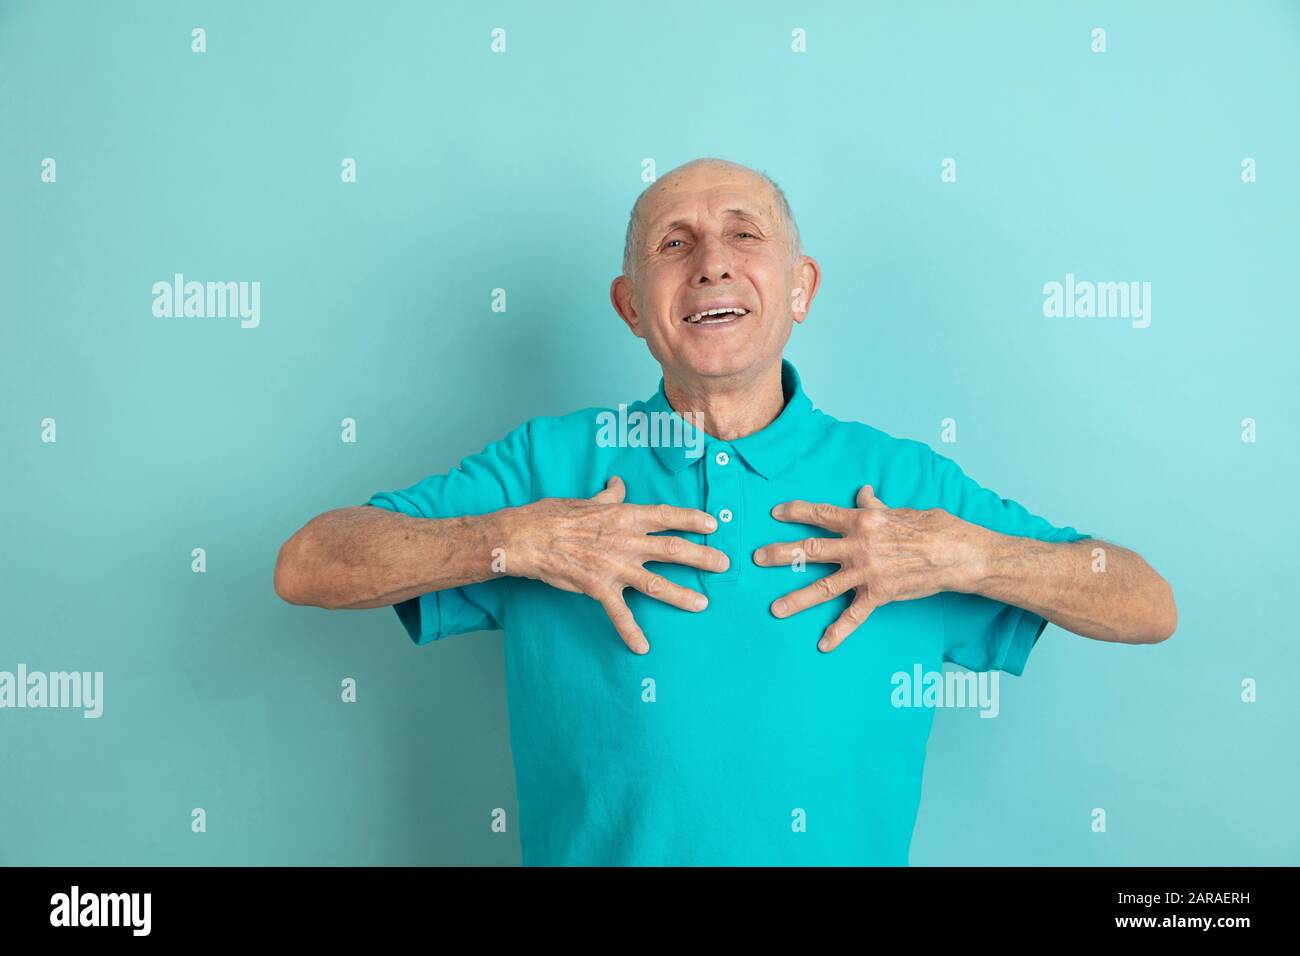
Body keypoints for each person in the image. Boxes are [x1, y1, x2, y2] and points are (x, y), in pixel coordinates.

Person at [274, 157, 1177, 865]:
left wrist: (970, 559)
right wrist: (516, 540)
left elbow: (1144, 602)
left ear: (800, 288)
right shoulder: (550, 464)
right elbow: (310, 563)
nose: (711, 263)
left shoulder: (901, 486)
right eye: (674, 244)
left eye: (744, 237)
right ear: (632, 306)